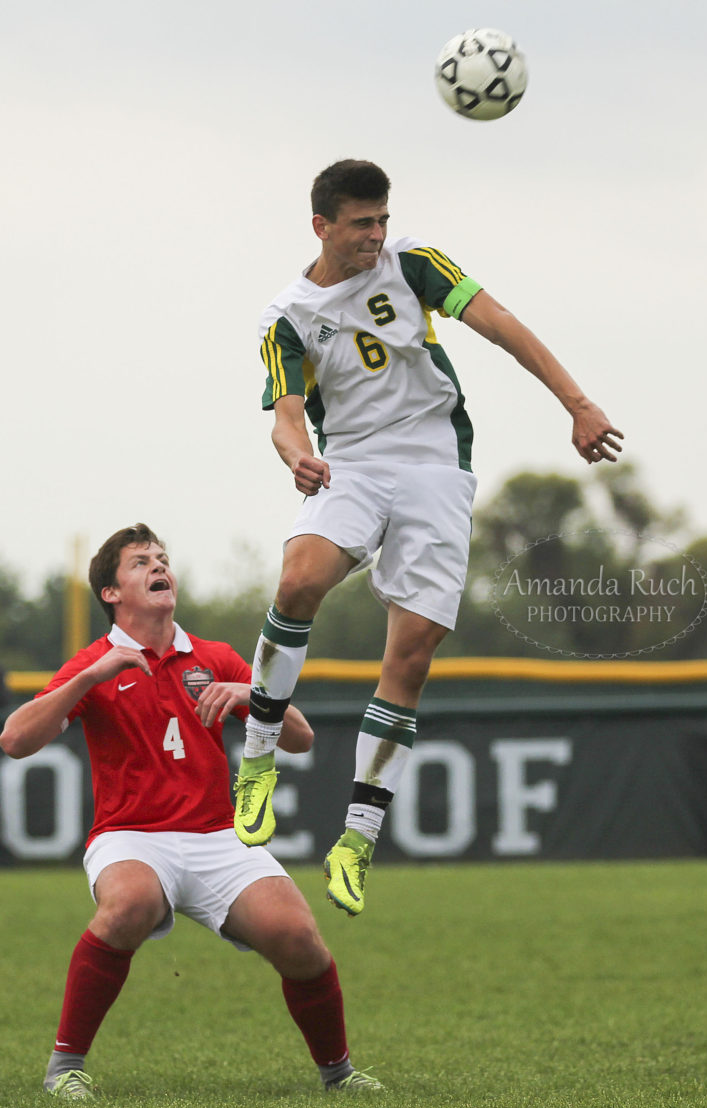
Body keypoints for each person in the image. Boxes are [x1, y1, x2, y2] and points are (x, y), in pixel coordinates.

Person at [233, 158, 624, 916]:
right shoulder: (285, 317)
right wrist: (295, 455)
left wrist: (577, 403)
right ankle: (256, 764)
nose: (375, 236)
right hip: (347, 459)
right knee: (297, 583)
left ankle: (357, 839)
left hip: (436, 466)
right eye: (360, 225)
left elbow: (501, 324)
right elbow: (285, 412)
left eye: (381, 220)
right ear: (321, 226)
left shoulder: (414, 262)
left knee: (409, 653)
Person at [0, 524, 381, 1100]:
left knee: (299, 938)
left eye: (163, 558)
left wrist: (254, 697)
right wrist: (90, 678)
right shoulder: (93, 663)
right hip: (130, 836)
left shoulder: (214, 656)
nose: (159, 567)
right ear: (111, 592)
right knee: (129, 904)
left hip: (217, 837)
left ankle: (339, 1074)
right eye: (140, 562)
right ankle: (65, 1069)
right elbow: (13, 740)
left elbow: (300, 738)